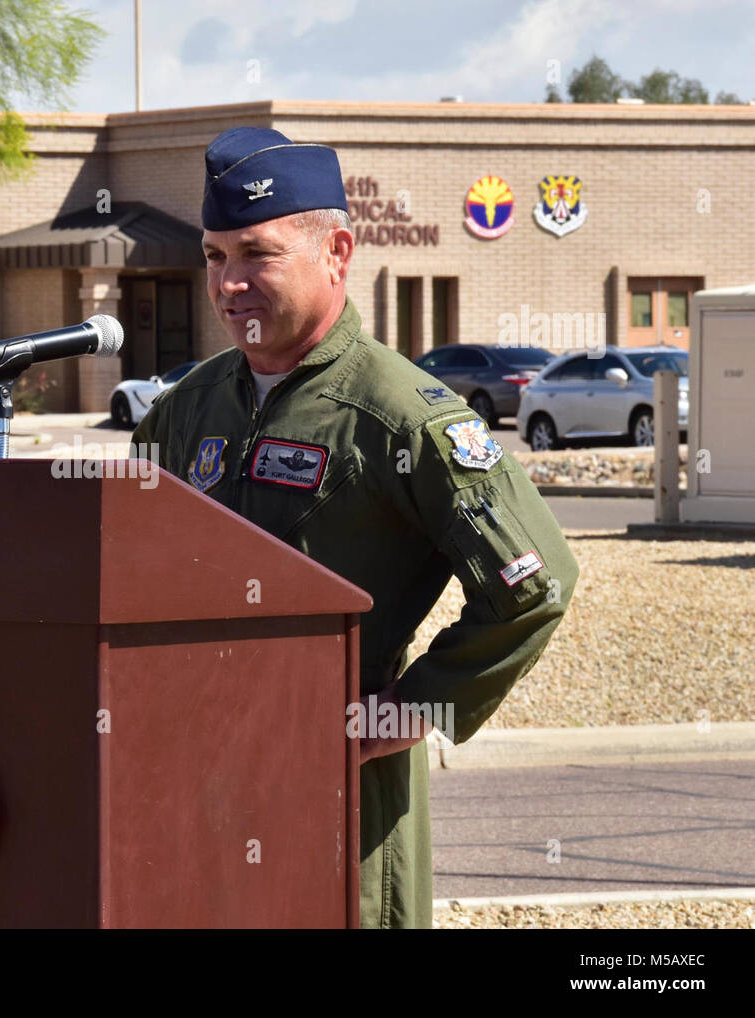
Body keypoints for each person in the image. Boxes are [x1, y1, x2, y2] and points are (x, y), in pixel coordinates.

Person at [131, 127, 579, 929]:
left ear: (336, 250)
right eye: (213, 256)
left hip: (334, 804)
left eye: (256, 254)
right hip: (192, 789)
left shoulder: (402, 417)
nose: (230, 284)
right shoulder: (186, 410)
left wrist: (410, 712)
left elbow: (534, 582)